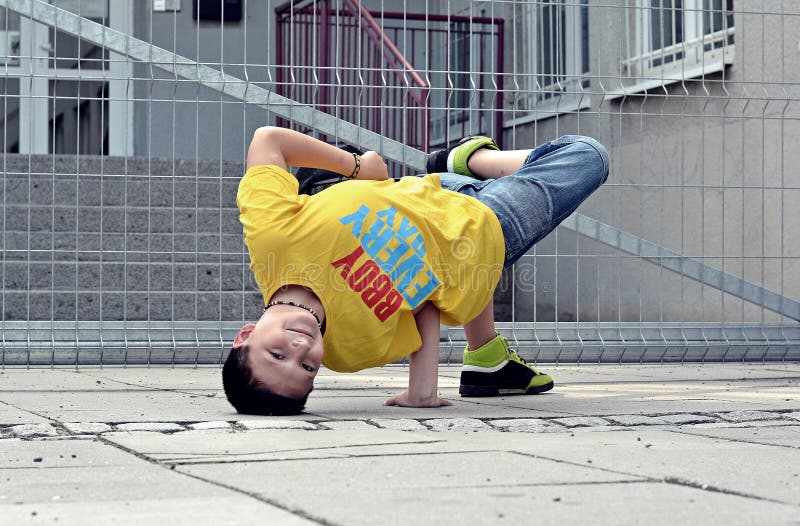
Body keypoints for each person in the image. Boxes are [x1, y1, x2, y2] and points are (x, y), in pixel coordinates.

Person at [222, 126, 609, 415]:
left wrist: (357, 166)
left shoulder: (271, 236)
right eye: (307, 368)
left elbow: (268, 140)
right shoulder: (349, 350)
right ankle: (477, 162)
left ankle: (466, 165)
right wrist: (421, 391)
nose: (301, 349)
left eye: (276, 354)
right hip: (486, 228)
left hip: (433, 187)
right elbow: (423, 302)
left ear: (246, 335)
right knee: (587, 153)